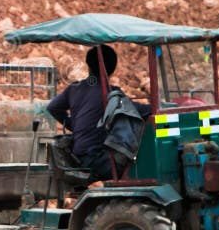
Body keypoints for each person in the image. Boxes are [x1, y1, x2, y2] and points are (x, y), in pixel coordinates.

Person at [47, 44, 149, 181]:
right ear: (112, 69)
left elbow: (53, 108)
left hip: (78, 156)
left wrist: (74, 125)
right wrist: (158, 107)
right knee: (141, 154)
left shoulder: (74, 88)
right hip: (99, 161)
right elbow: (139, 111)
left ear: (88, 65)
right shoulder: (110, 93)